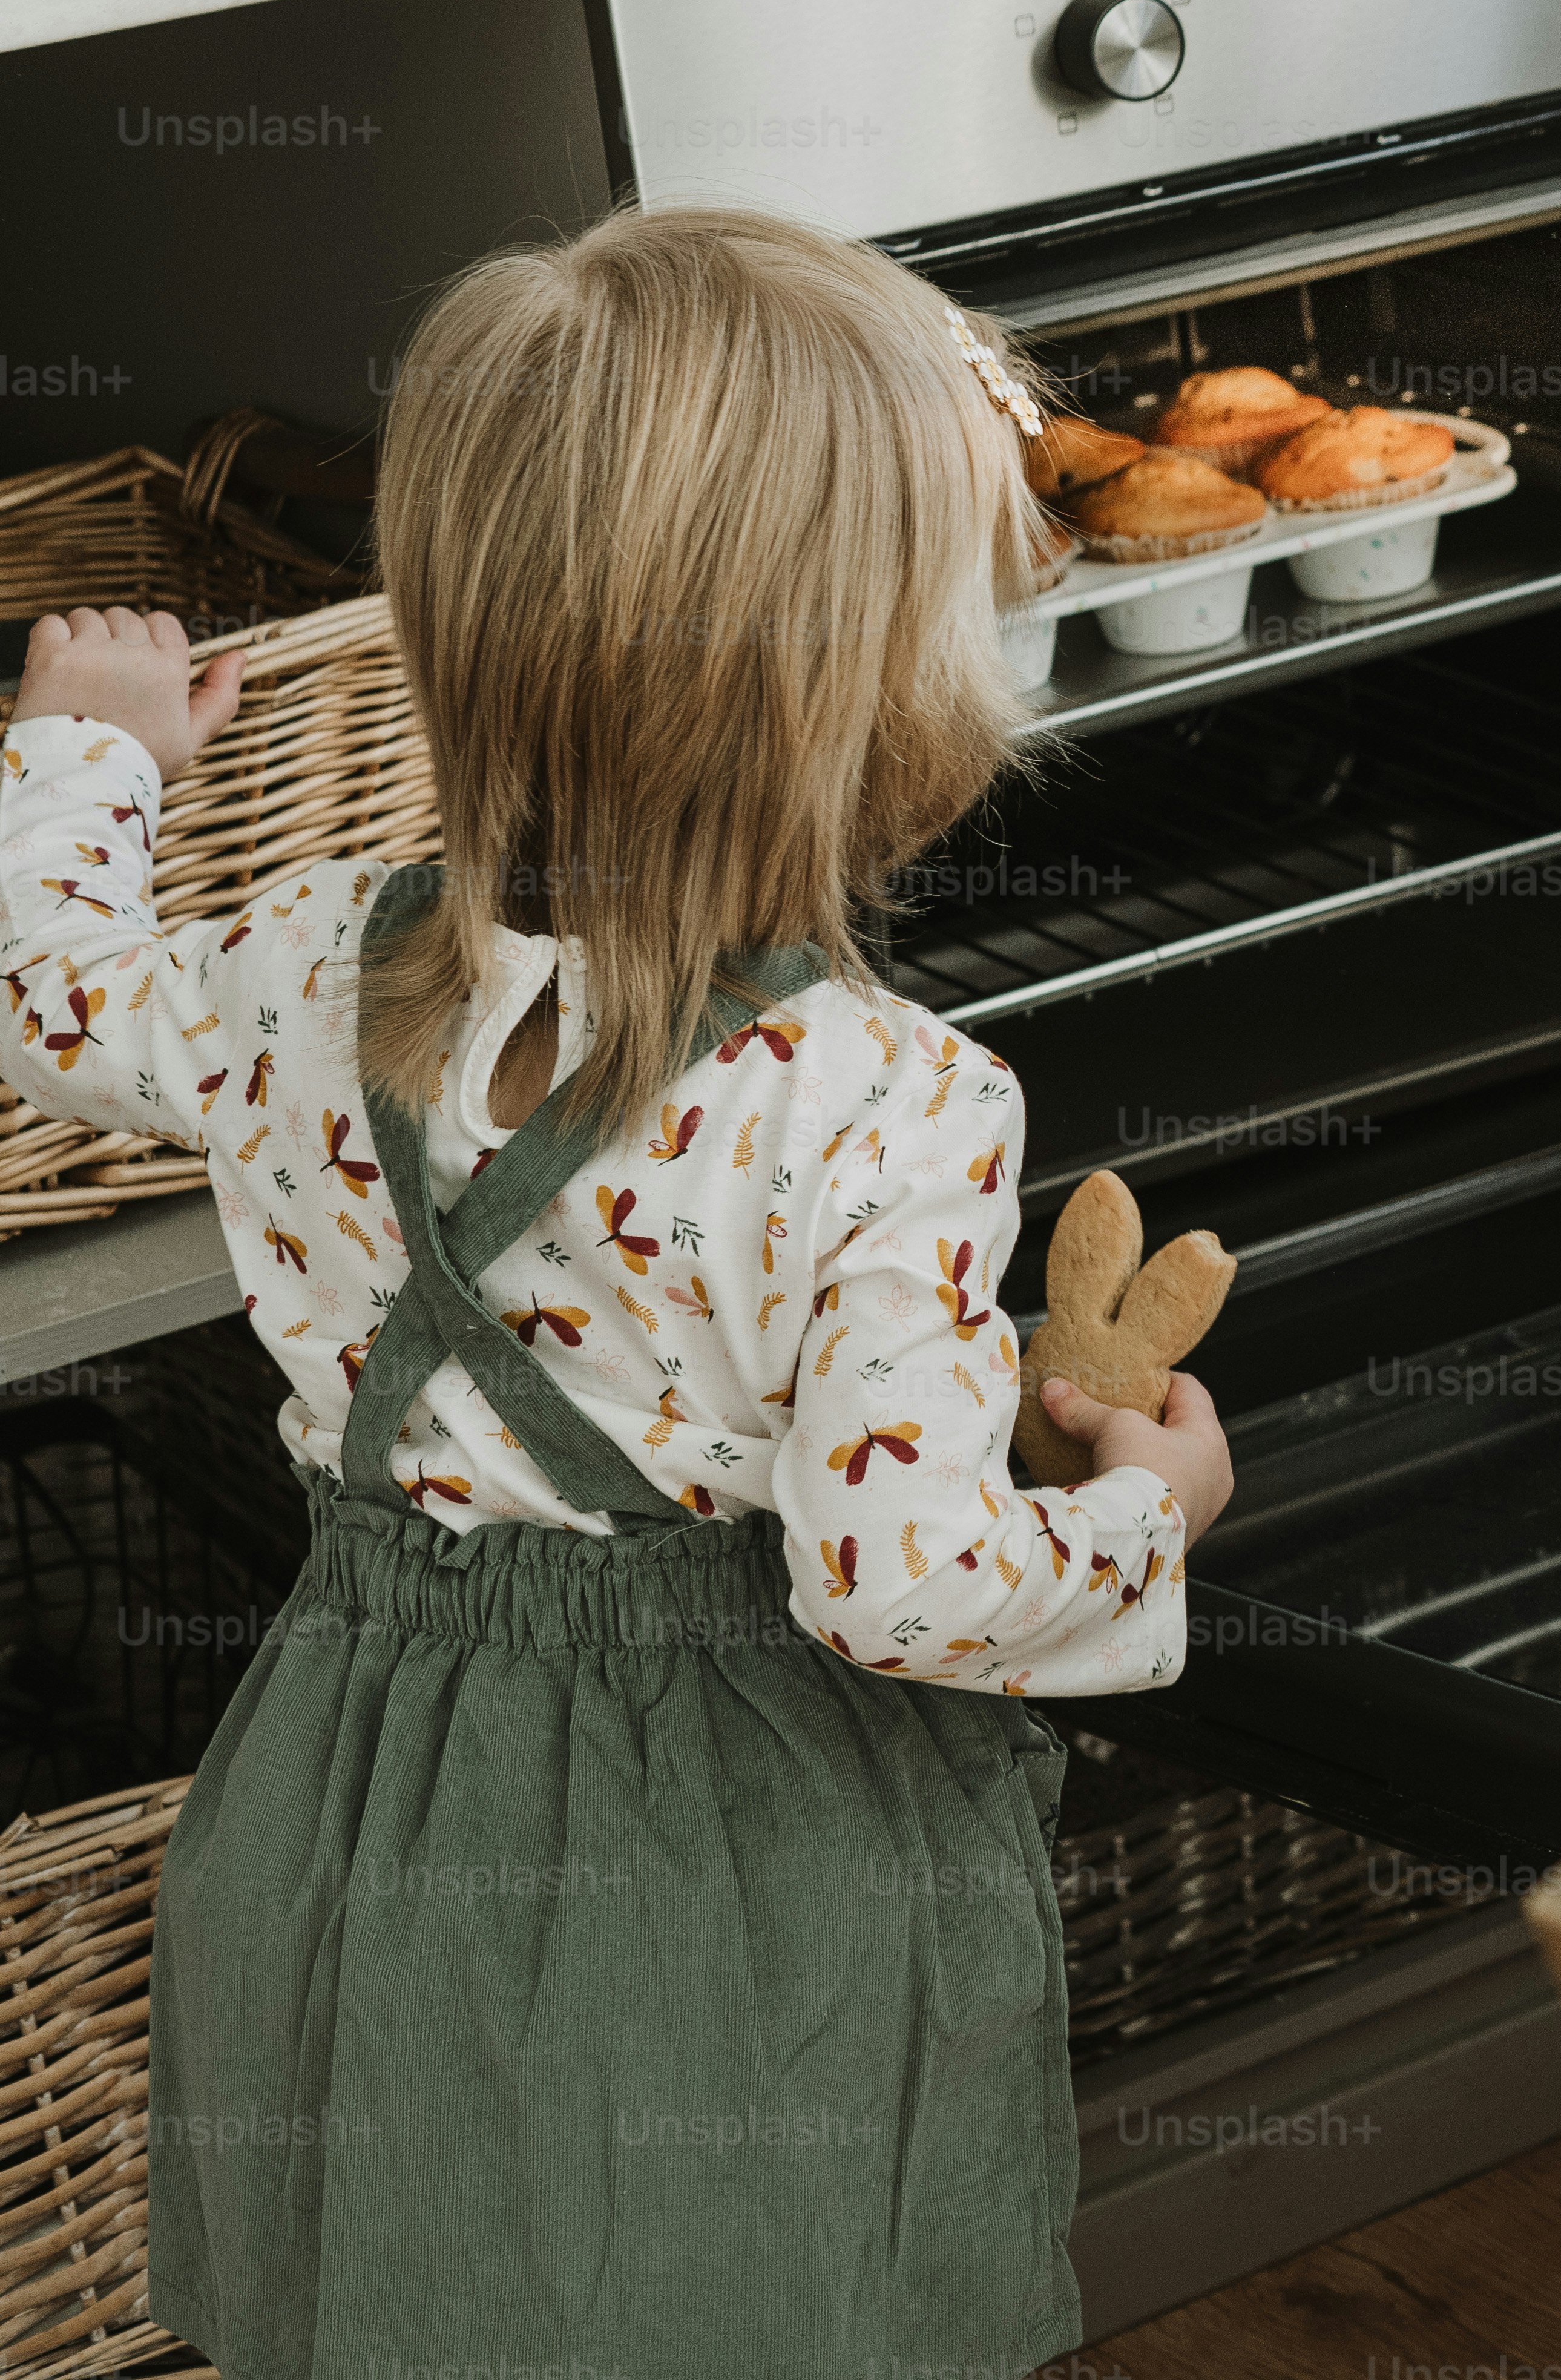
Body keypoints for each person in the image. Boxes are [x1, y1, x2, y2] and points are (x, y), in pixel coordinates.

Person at [0, 206, 1236, 2380]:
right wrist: (1145, 1515)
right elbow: (900, 1588)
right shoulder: (889, 1100)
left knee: (424, 2271)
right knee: (741, 2287)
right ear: (863, 693)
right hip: (728, 1843)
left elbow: (54, 1002)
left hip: (362, 1786)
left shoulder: (301, 960)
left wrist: (92, 747)